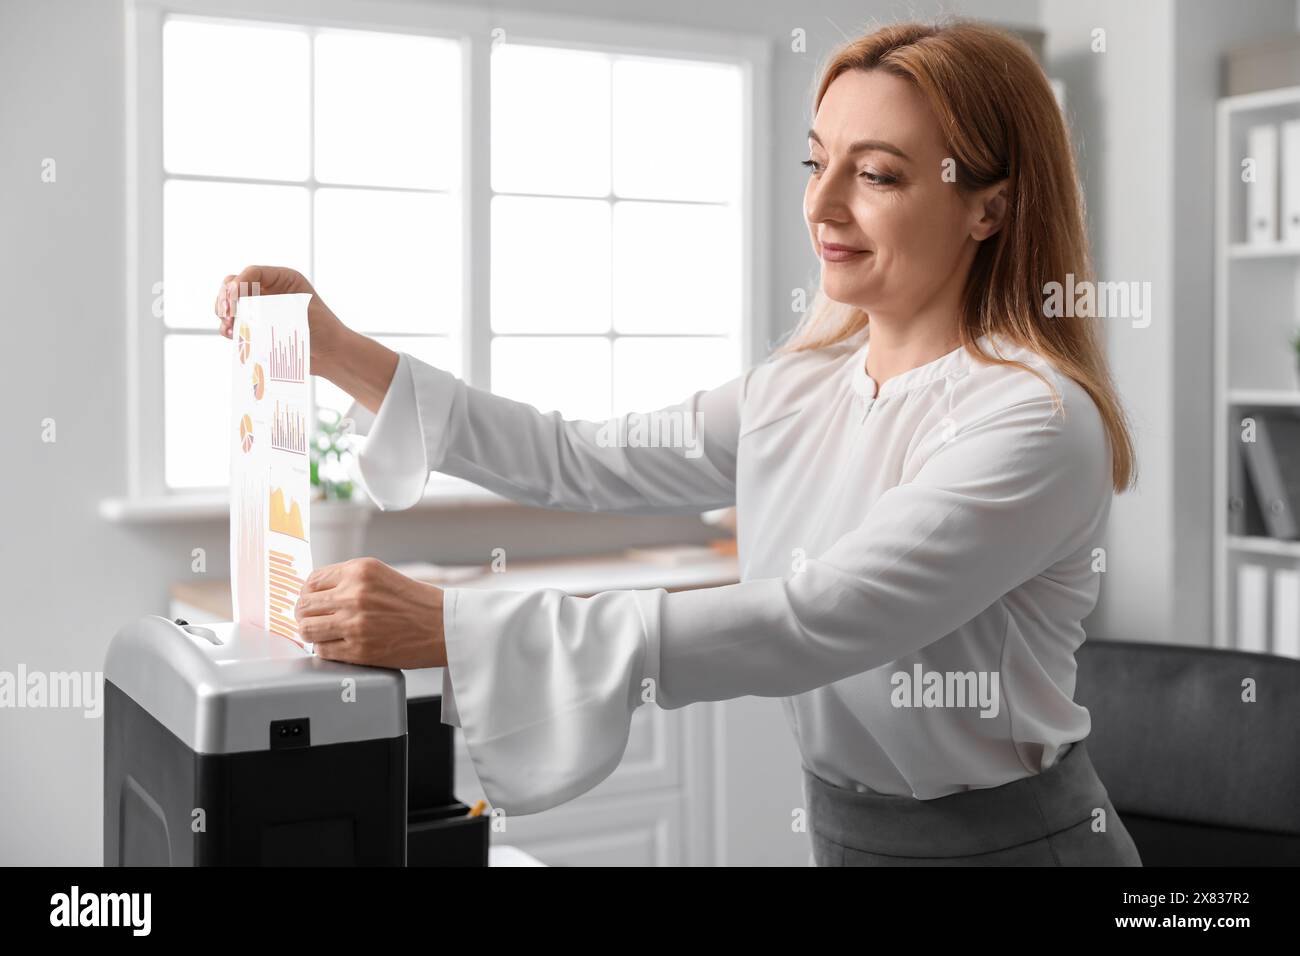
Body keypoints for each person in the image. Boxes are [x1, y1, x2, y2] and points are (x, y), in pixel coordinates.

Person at [215, 19, 1141, 866]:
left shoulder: (1034, 421)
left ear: (989, 208)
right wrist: (334, 350)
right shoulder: (799, 387)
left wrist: (457, 628)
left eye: (878, 174)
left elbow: (815, 620)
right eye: (816, 163)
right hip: (847, 837)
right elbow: (574, 457)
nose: (823, 208)